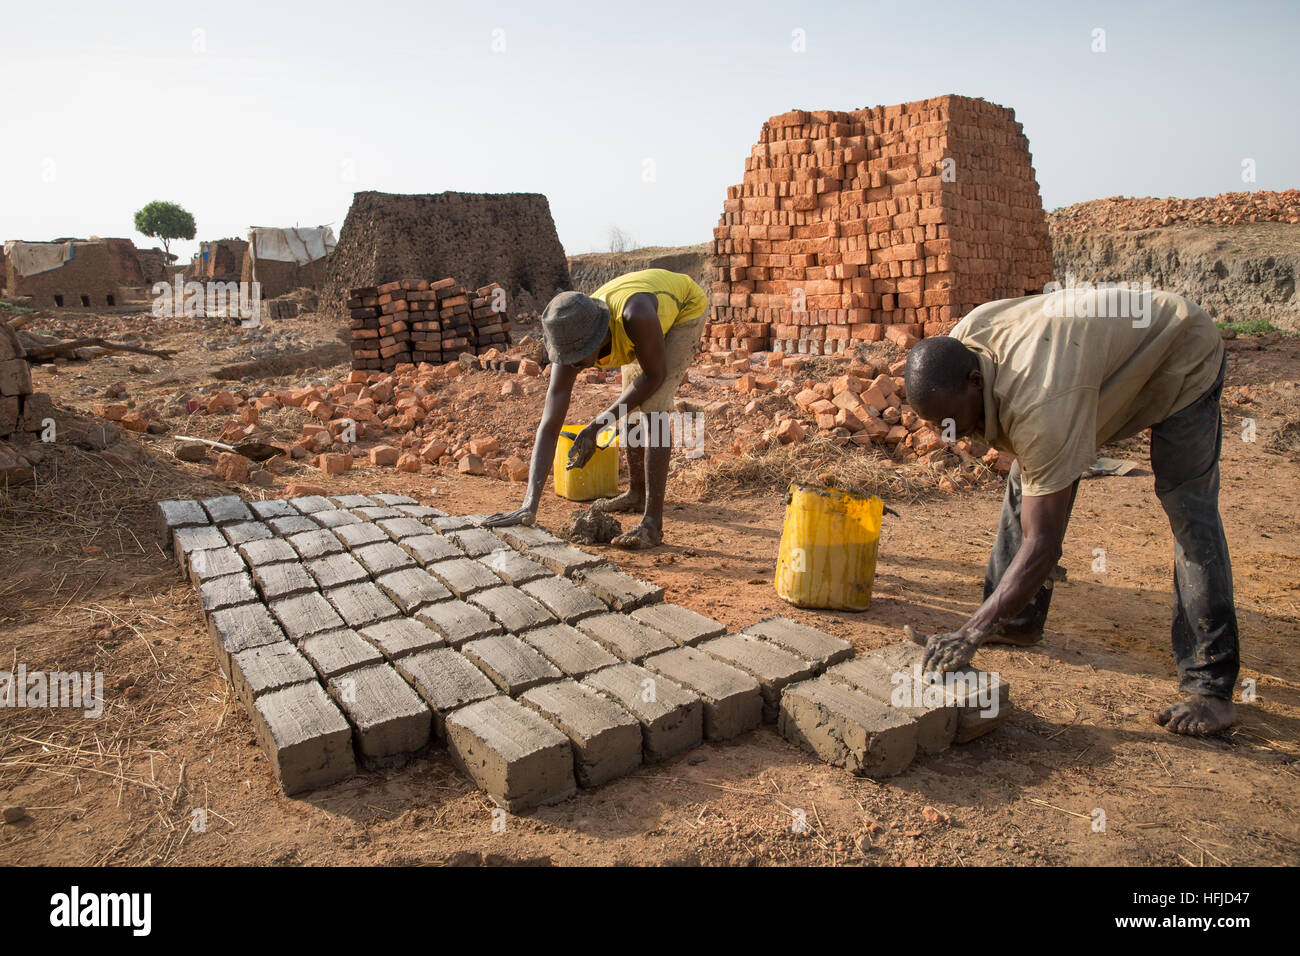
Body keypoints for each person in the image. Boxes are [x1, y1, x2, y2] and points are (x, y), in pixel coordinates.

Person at [903, 286, 1239, 737]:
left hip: (1180, 352)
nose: (949, 435)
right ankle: (1015, 620)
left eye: (952, 420)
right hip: (1085, 366)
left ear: (976, 382)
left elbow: (1044, 544)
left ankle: (1210, 688)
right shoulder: (966, 341)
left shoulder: (1042, 405)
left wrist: (969, 633)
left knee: (1188, 508)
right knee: (1030, 475)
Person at [483, 268, 708, 549]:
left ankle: (652, 526)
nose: (573, 365)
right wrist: (528, 505)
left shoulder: (635, 317)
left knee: (653, 408)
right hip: (637, 324)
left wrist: (597, 426)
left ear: (598, 337)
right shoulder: (570, 336)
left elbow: (654, 376)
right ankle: (637, 492)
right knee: (632, 409)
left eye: (579, 358)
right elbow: (550, 424)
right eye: (568, 359)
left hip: (683, 308)